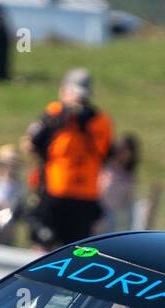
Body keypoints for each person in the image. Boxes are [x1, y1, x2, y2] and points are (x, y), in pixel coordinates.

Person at [24, 68, 114, 249]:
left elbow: (30, 144)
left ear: (65, 90)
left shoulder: (55, 112)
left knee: (42, 247)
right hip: (87, 196)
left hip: (55, 191)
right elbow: (108, 154)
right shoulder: (102, 120)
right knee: (76, 252)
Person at [98, 134, 140, 233]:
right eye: (122, 149)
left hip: (110, 217)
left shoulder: (129, 177)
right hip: (95, 211)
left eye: (127, 150)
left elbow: (128, 204)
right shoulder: (106, 167)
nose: (123, 153)